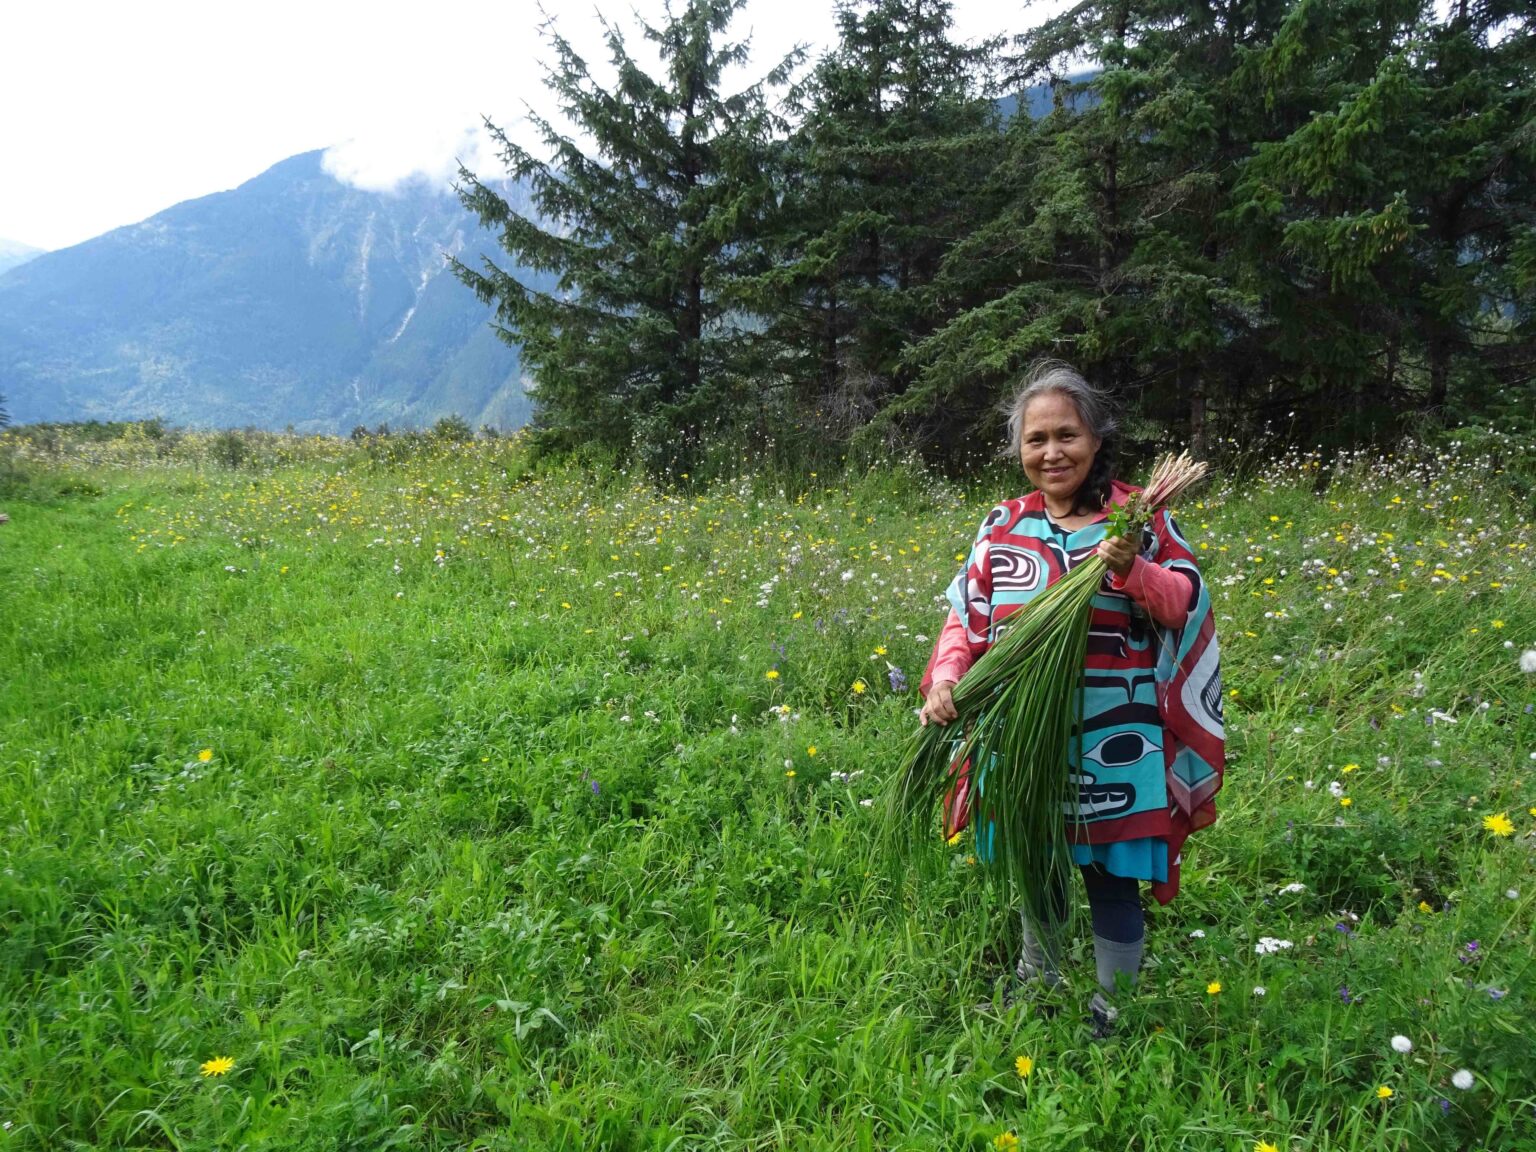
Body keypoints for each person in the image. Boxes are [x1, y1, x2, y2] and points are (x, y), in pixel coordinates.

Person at [917, 359, 1225, 1035]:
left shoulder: (1139, 517)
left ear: (1095, 439)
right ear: (1018, 449)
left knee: (1110, 873)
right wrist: (945, 678)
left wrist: (1133, 569)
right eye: (1036, 439)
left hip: (1116, 736)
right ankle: (1039, 977)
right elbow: (965, 619)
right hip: (1023, 732)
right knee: (1038, 856)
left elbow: (1185, 606)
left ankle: (1115, 1009)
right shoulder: (1003, 525)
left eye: (1067, 435)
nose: (1051, 452)